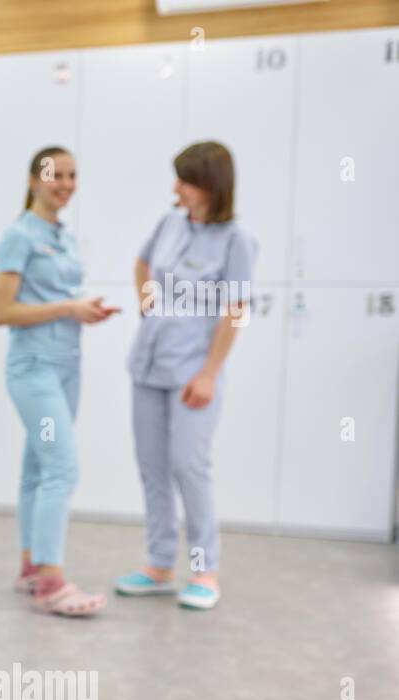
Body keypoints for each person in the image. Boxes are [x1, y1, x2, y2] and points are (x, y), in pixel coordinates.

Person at [115, 141, 257, 611]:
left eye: (185, 180)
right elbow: (142, 263)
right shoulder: (169, 223)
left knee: (188, 468)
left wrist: (210, 374)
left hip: (193, 372)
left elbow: (235, 310)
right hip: (148, 364)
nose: (176, 188)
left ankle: (204, 569)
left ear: (211, 186)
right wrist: (146, 300)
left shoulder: (237, 240)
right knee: (152, 467)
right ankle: (158, 565)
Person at [0, 146, 119, 617]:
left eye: (72, 175)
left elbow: (54, 297)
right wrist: (69, 308)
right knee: (62, 469)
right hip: (34, 369)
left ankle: (30, 565)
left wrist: (84, 308)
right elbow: (1, 311)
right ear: (33, 180)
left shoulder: (61, 236)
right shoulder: (19, 236)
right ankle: (51, 582)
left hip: (68, 365)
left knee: (38, 468)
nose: (64, 183)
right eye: (54, 175)